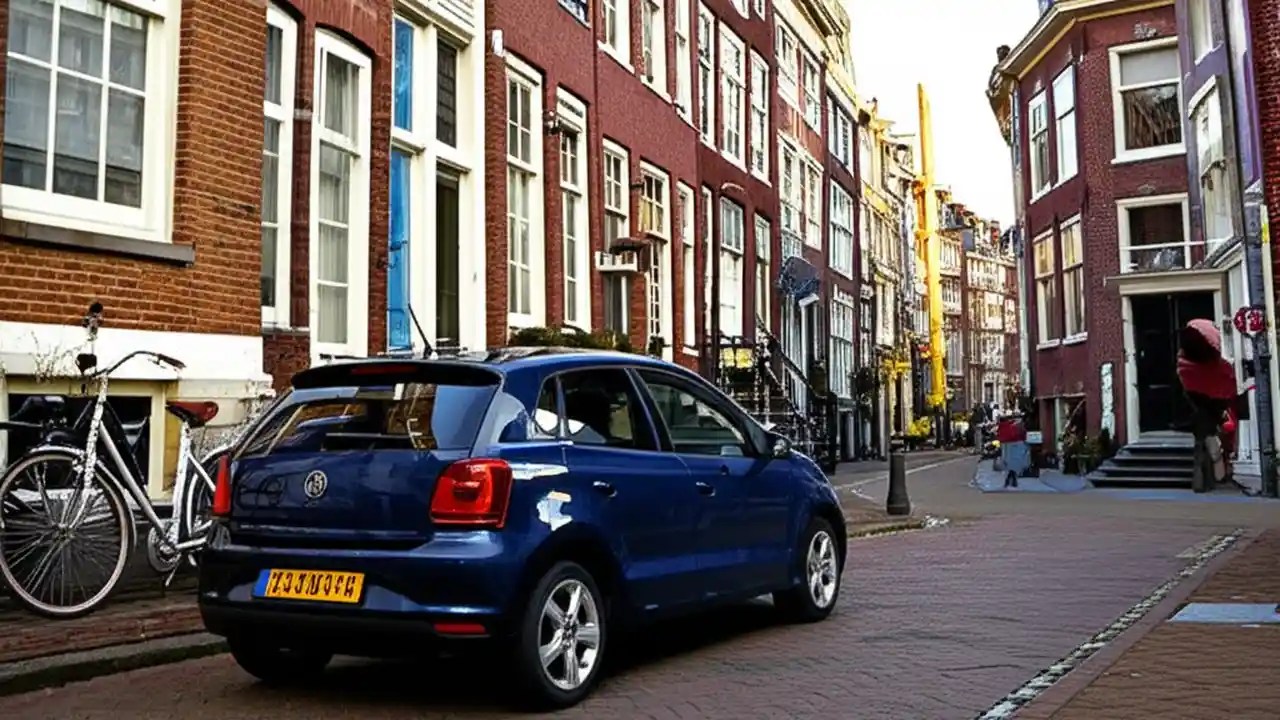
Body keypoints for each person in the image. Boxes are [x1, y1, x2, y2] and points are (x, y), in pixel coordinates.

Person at [996, 412, 1029, 488]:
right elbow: (1019, 434)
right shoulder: (1014, 426)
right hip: (1015, 445)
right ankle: (1012, 479)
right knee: (1015, 462)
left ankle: (1010, 480)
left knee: (1009, 463)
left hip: (1006, 446)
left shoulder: (1002, 427)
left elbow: (999, 436)